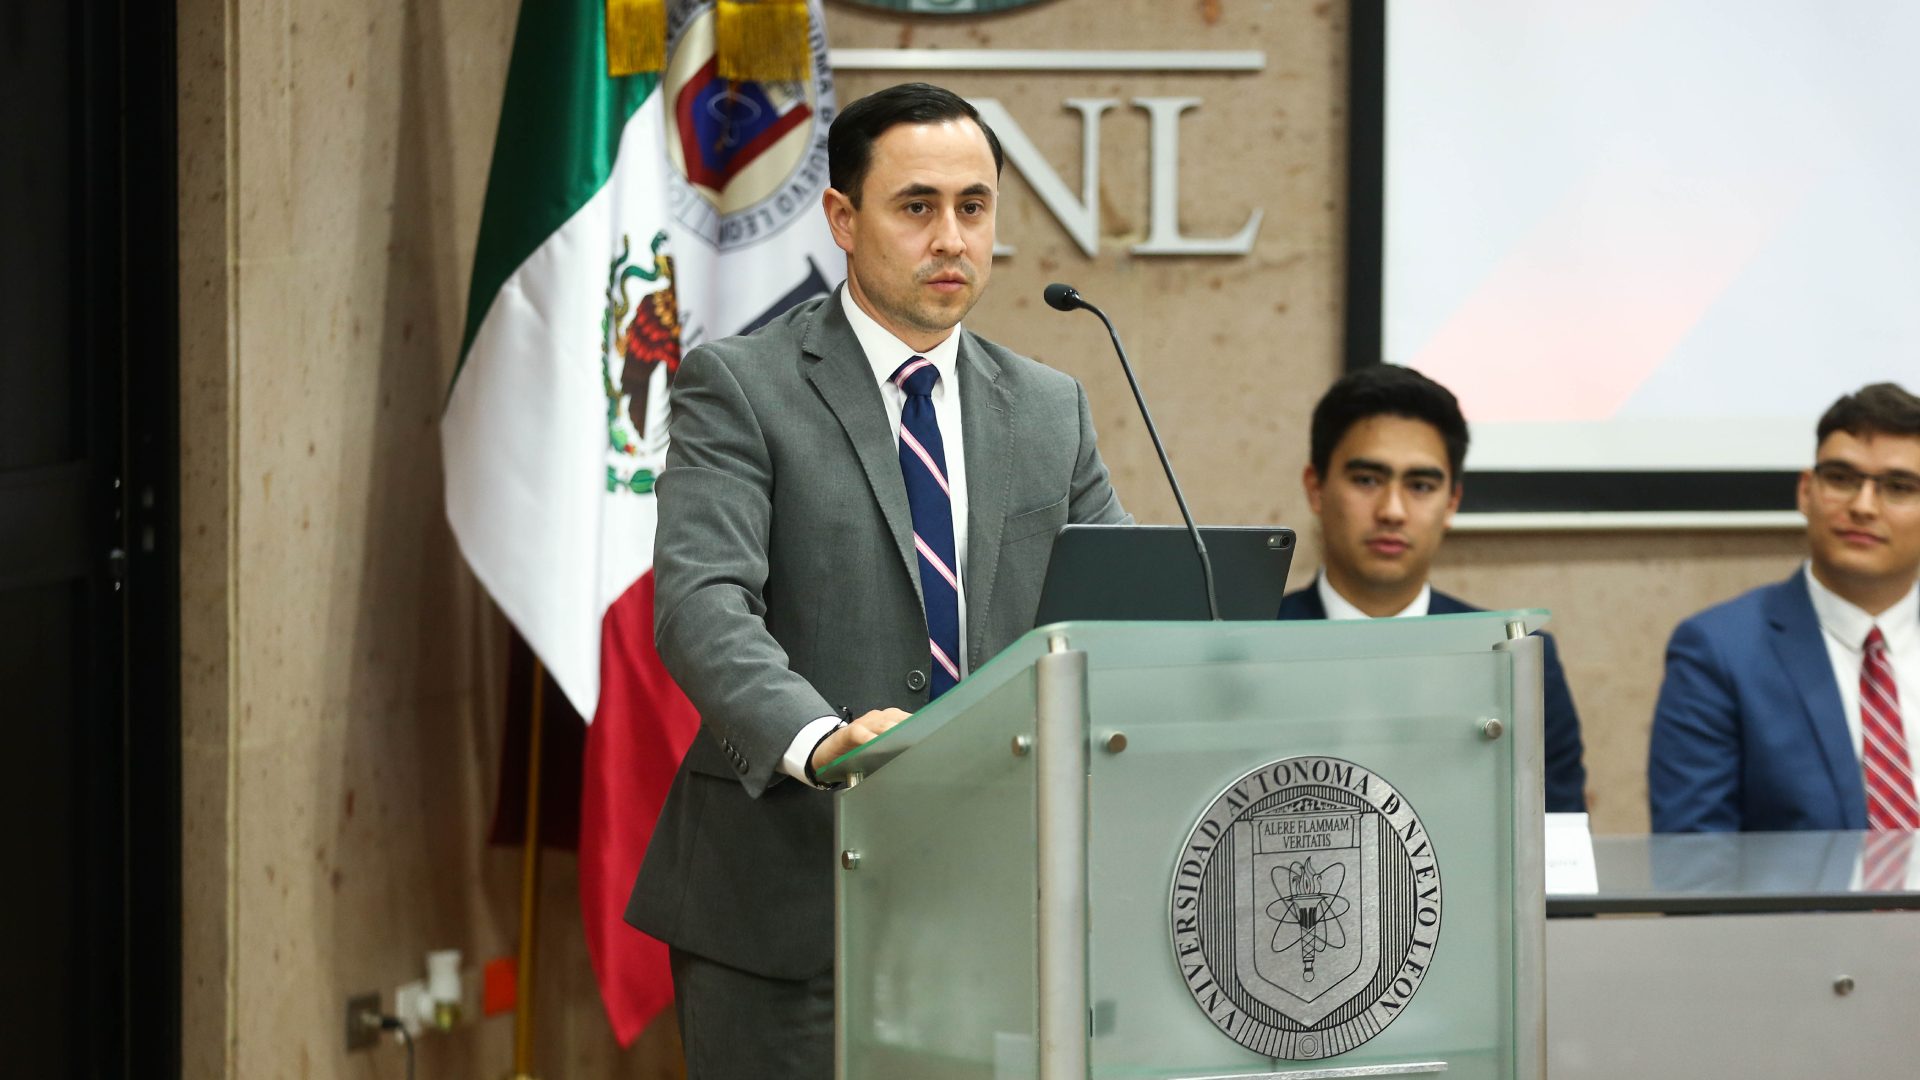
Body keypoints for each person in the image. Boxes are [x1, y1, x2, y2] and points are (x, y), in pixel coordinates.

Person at [623, 83, 1129, 1076]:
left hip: (996, 904)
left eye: (973, 208)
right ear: (844, 220)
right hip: (788, 904)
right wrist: (820, 740)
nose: (952, 237)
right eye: (918, 206)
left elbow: (1118, 609)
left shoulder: (1048, 407)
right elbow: (702, 606)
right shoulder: (743, 386)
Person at [1278, 365, 1589, 812]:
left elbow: (1555, 848)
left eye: (1421, 485)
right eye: (1367, 480)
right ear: (1316, 488)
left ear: (1452, 503)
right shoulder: (1240, 654)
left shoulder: (1514, 661)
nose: (1392, 510)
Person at [1649, 382, 1920, 833]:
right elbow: (1695, 867)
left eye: (1898, 487)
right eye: (1841, 479)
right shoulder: (1718, 652)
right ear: (1805, 492)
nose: (1863, 506)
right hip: (1801, 909)